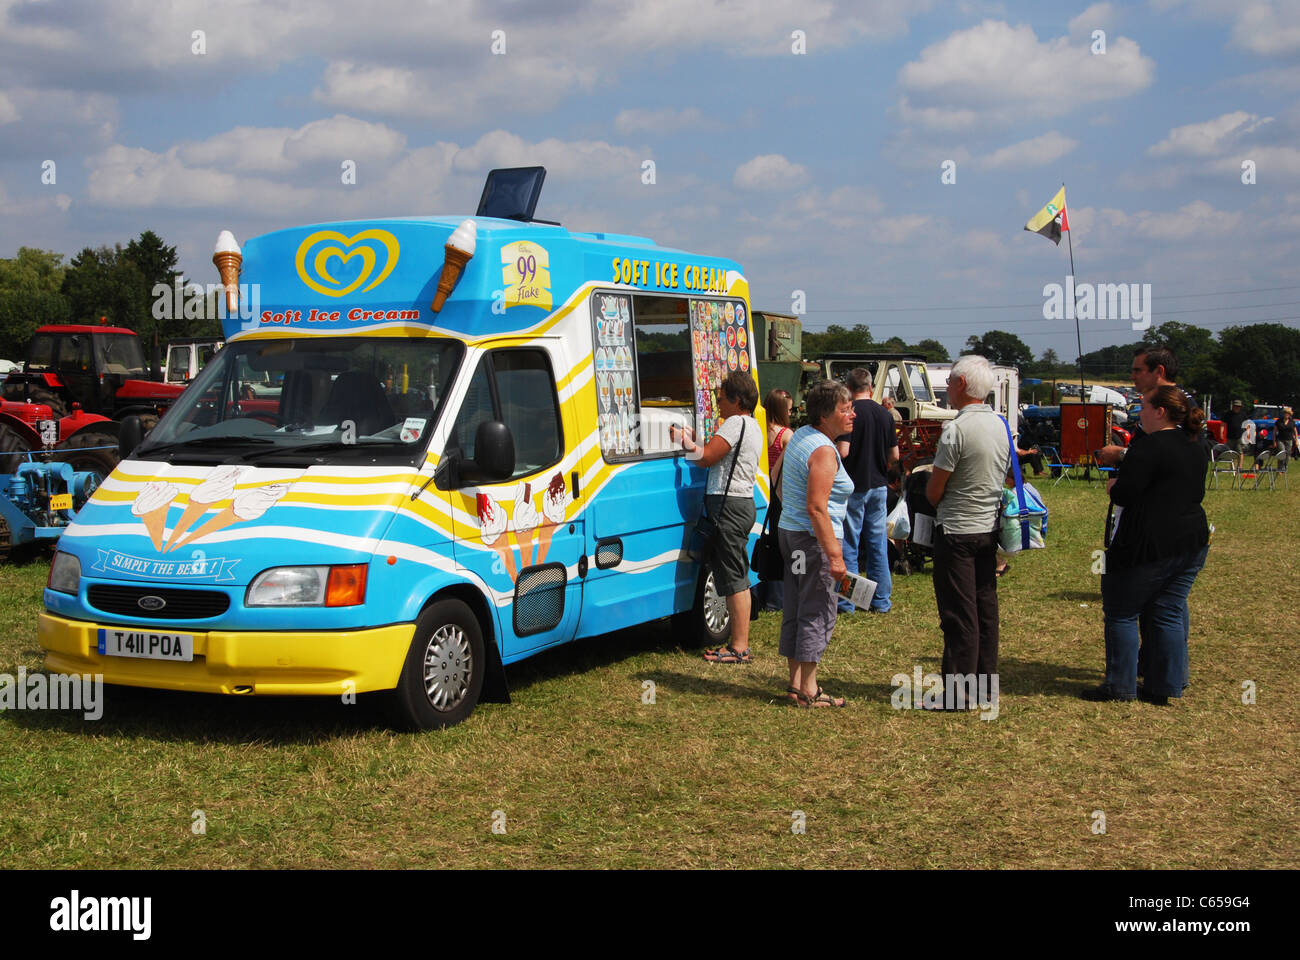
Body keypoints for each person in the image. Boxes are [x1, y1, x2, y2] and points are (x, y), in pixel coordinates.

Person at [1082, 386, 1210, 705]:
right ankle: (1164, 685)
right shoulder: (1197, 444)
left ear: (1160, 411)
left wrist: (1113, 485)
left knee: (1122, 612)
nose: (1140, 413)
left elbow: (1126, 493)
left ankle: (1119, 686)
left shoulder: (1149, 446)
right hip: (1191, 540)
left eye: (1144, 407)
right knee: (1167, 611)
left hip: (1148, 543)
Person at [925, 355, 1010, 710]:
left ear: (961, 385)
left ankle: (957, 696)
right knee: (984, 609)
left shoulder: (956, 430)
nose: (946, 390)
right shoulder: (1000, 425)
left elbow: (935, 491)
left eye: (949, 383)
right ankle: (984, 688)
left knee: (960, 614)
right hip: (988, 529)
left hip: (956, 530)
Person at [669, 371, 763, 663]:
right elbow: (715, 452)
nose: (718, 402)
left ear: (737, 399)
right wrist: (696, 441)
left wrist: (682, 442)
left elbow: (708, 457)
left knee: (734, 577)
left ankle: (739, 646)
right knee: (737, 574)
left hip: (729, 507)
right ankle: (740, 643)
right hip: (741, 503)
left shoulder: (735, 423)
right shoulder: (752, 425)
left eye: (722, 397)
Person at [777, 380, 855, 706]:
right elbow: (817, 507)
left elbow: (777, 482)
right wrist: (835, 556)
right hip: (812, 542)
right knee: (818, 609)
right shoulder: (824, 450)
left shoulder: (801, 438)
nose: (852, 414)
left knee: (796, 604)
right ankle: (809, 688)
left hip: (792, 537)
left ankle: (795, 683)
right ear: (825, 415)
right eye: (844, 409)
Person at [835, 367, 898, 614]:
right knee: (877, 542)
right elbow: (894, 455)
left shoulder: (850, 414)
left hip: (854, 485)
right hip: (879, 485)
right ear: (870, 388)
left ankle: (848, 601)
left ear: (848, 389)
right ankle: (880, 600)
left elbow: (843, 451)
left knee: (849, 543)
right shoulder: (885, 415)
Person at [753, 388, 795, 613]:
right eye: (789, 409)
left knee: (763, 540)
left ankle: (759, 591)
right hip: (781, 494)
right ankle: (777, 598)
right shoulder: (787, 435)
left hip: (761, 490)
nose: (792, 412)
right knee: (782, 545)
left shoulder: (759, 431)